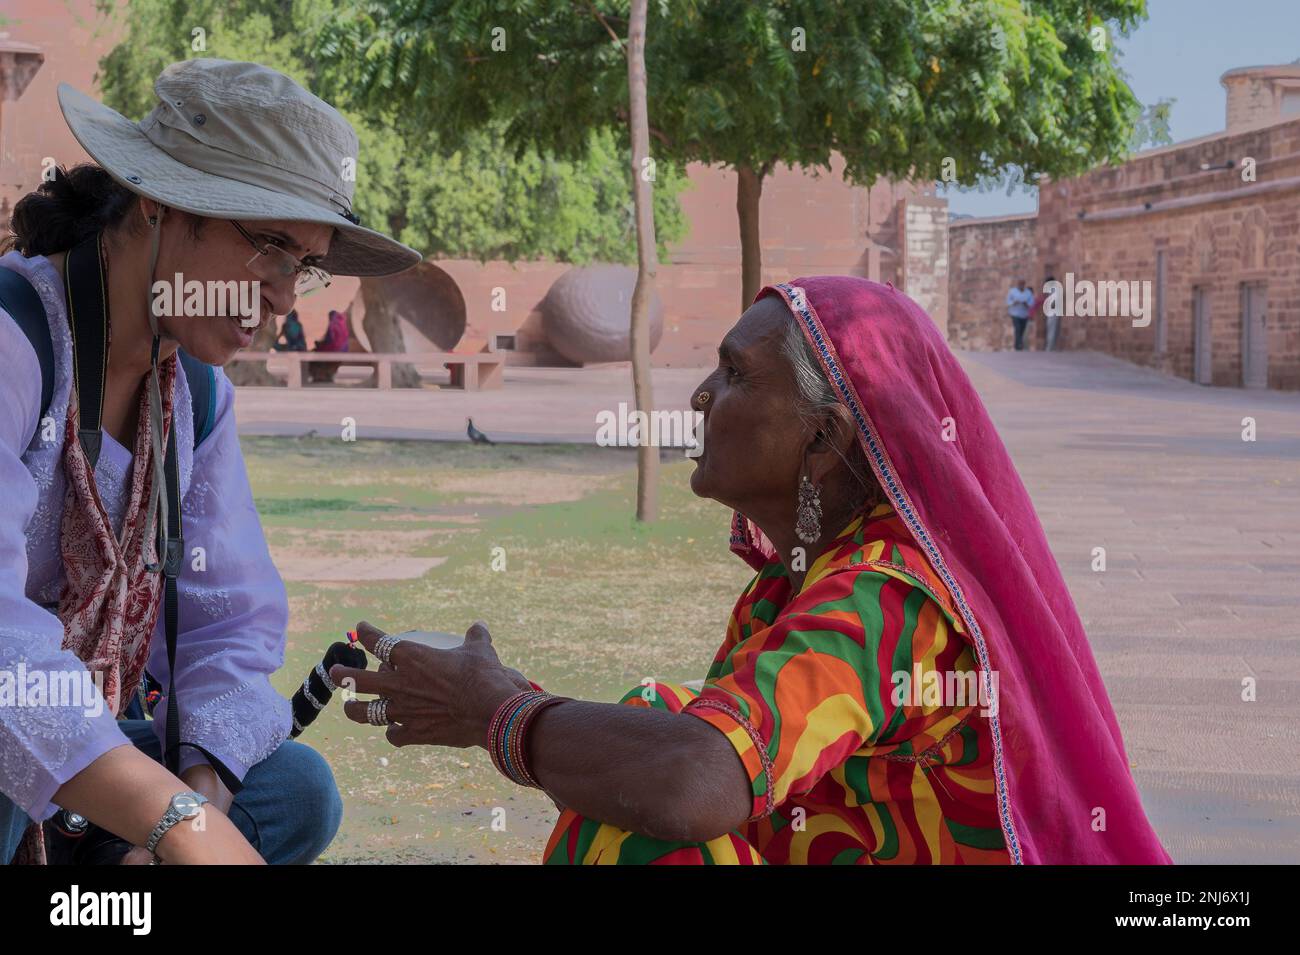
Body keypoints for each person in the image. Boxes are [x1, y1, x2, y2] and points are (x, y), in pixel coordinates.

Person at [332, 276, 1173, 865]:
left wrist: (499, 711)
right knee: (650, 726)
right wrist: (509, 704)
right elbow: (702, 760)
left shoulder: (887, 600)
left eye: (735, 374)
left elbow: (694, 785)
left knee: (649, 823)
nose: (701, 395)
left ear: (823, 436)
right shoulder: (797, 583)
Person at [0, 59, 419, 864]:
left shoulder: (192, 392)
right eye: (270, 246)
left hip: (88, 759)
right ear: (160, 204)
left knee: (294, 790)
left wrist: (192, 810)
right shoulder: (18, 341)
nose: (285, 294)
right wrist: (177, 822)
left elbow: (226, 625)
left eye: (307, 263)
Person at [308, 309, 350, 382]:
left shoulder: (333, 324)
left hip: (333, 349)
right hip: (343, 350)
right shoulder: (343, 325)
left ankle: (319, 376)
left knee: (316, 353)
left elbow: (329, 339)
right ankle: (326, 375)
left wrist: (319, 344)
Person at [1006, 277, 1035, 351]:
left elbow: (1031, 303)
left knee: (1022, 329)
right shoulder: (1012, 291)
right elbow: (1008, 302)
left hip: (1024, 314)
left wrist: (1026, 304)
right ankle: (1019, 345)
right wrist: (1014, 302)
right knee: (1017, 328)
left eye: (1022, 283)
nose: (1021, 285)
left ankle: (1017, 344)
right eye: (1020, 283)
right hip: (1015, 313)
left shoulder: (1028, 292)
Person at [1036, 275, 1060, 352]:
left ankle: (1050, 348)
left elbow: (1054, 302)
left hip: (1053, 311)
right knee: (1051, 328)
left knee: (1051, 329)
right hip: (1052, 311)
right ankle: (1051, 347)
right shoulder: (1053, 290)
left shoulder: (1055, 290)